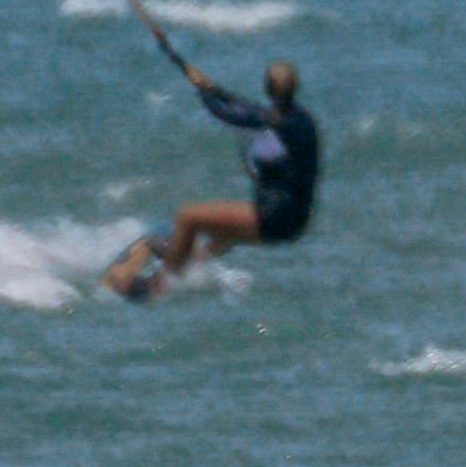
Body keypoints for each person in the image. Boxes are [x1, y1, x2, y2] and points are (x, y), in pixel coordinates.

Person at [105, 56, 312, 300]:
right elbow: (247, 107)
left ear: (267, 88)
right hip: (295, 219)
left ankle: (153, 288)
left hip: (273, 219)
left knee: (188, 216)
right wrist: (211, 87)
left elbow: (225, 114)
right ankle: (182, 266)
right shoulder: (301, 119)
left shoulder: (264, 125)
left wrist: (201, 92)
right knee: (224, 233)